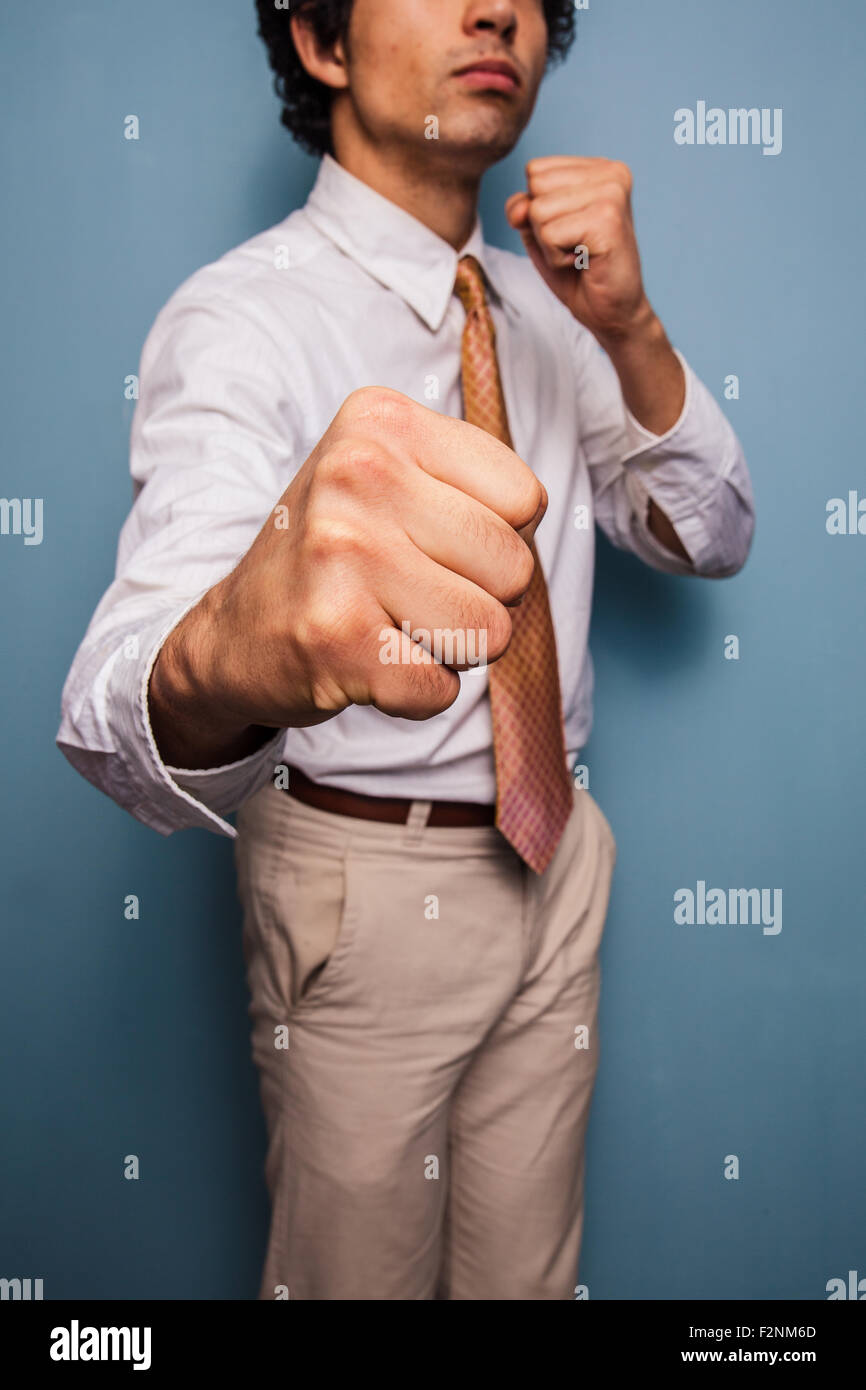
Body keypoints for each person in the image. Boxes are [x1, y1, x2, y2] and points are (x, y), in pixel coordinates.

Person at [57, 0, 755, 1300]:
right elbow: (116, 698)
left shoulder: (550, 315)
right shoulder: (239, 321)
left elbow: (709, 538)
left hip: (556, 868)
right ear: (321, 41)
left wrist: (633, 326)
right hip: (355, 885)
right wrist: (229, 649)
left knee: (527, 1285)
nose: (496, 10)